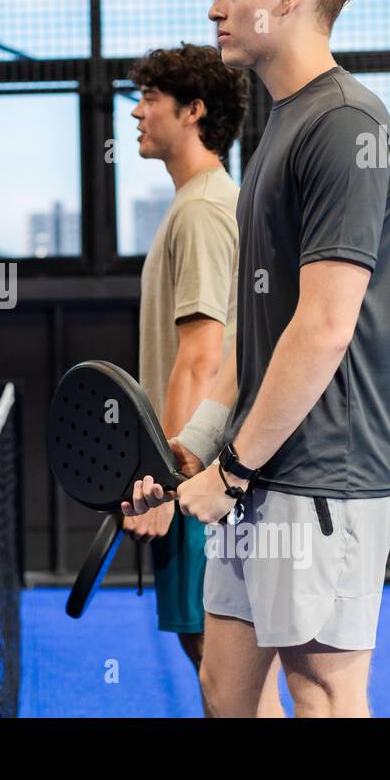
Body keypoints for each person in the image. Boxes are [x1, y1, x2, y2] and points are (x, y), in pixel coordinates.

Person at [125, 0, 390, 718]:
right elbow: (255, 340)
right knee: (225, 684)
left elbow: (324, 326)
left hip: (325, 471)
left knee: (322, 690)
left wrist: (237, 469)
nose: (215, 7)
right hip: (260, 465)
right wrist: (194, 451)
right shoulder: (279, 128)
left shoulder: (349, 124)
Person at [122, 44, 283, 717]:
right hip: (205, 475)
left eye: (151, 98)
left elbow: (203, 355)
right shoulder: (203, 203)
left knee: (226, 677)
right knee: (223, 676)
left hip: (201, 482)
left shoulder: (203, 210)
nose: (136, 110)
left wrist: (167, 477)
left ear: (193, 112)